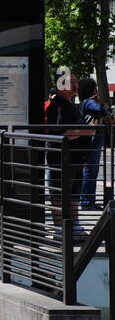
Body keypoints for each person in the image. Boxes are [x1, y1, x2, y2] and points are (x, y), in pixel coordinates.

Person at [42, 74, 92, 236]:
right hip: (62, 158)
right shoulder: (57, 105)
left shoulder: (70, 104)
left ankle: (74, 224)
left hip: (75, 157)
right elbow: (59, 134)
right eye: (73, 82)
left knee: (74, 192)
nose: (77, 85)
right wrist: (85, 131)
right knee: (59, 192)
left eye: (77, 82)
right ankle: (60, 227)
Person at [78, 78, 108, 209]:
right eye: (95, 87)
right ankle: (86, 201)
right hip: (92, 138)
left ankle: (88, 200)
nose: (97, 89)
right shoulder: (89, 102)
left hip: (94, 138)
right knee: (90, 170)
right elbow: (103, 110)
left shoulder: (86, 102)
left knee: (91, 169)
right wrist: (102, 105)